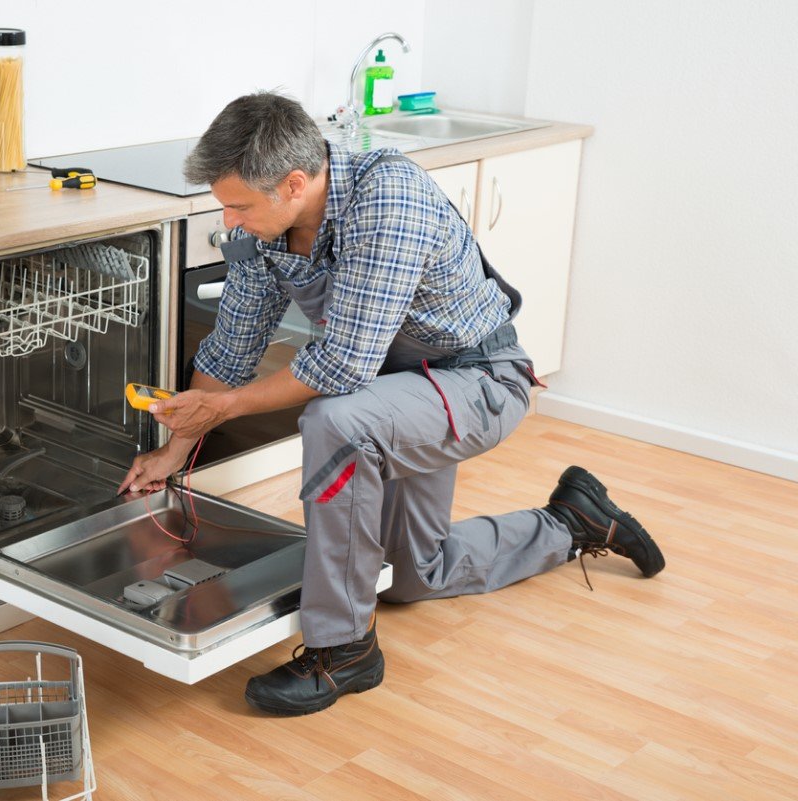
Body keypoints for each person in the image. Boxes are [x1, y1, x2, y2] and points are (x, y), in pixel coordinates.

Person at [117, 91, 665, 717]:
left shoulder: (388, 197)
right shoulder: (262, 234)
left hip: (475, 380)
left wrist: (226, 410)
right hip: (395, 392)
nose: (231, 221)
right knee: (412, 575)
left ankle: (344, 649)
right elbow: (233, 344)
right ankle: (572, 521)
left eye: (239, 206)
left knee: (337, 419)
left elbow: (341, 366)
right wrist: (173, 449)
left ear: (294, 184)